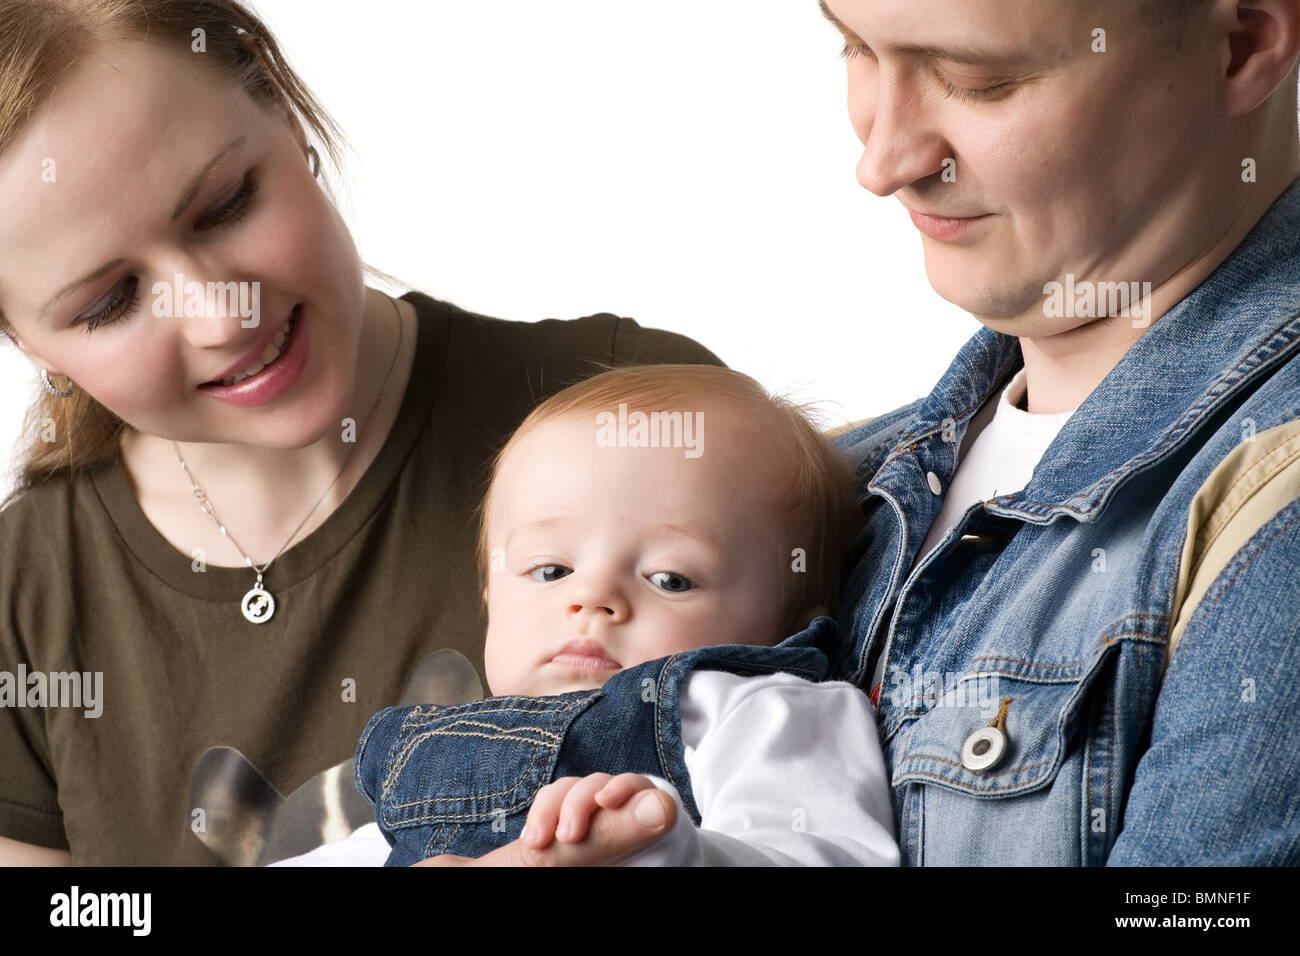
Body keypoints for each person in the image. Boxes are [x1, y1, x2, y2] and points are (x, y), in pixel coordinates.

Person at [421, 0, 1300, 867]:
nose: (881, 163)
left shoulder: (1269, 513)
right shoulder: (832, 480)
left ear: (1242, 44)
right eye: (856, 47)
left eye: (977, 79)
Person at [0, 0, 720, 865]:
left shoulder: (636, 413)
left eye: (226, 205)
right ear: (29, 343)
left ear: (284, 108)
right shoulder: (27, 593)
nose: (221, 318)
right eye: (111, 302)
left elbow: (813, 790)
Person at [273, 364, 899, 866]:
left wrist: (674, 853)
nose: (591, 598)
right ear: (491, 594)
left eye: (670, 579)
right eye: (550, 571)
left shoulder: (760, 709)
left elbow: (822, 850)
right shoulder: (445, 746)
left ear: (792, 624)